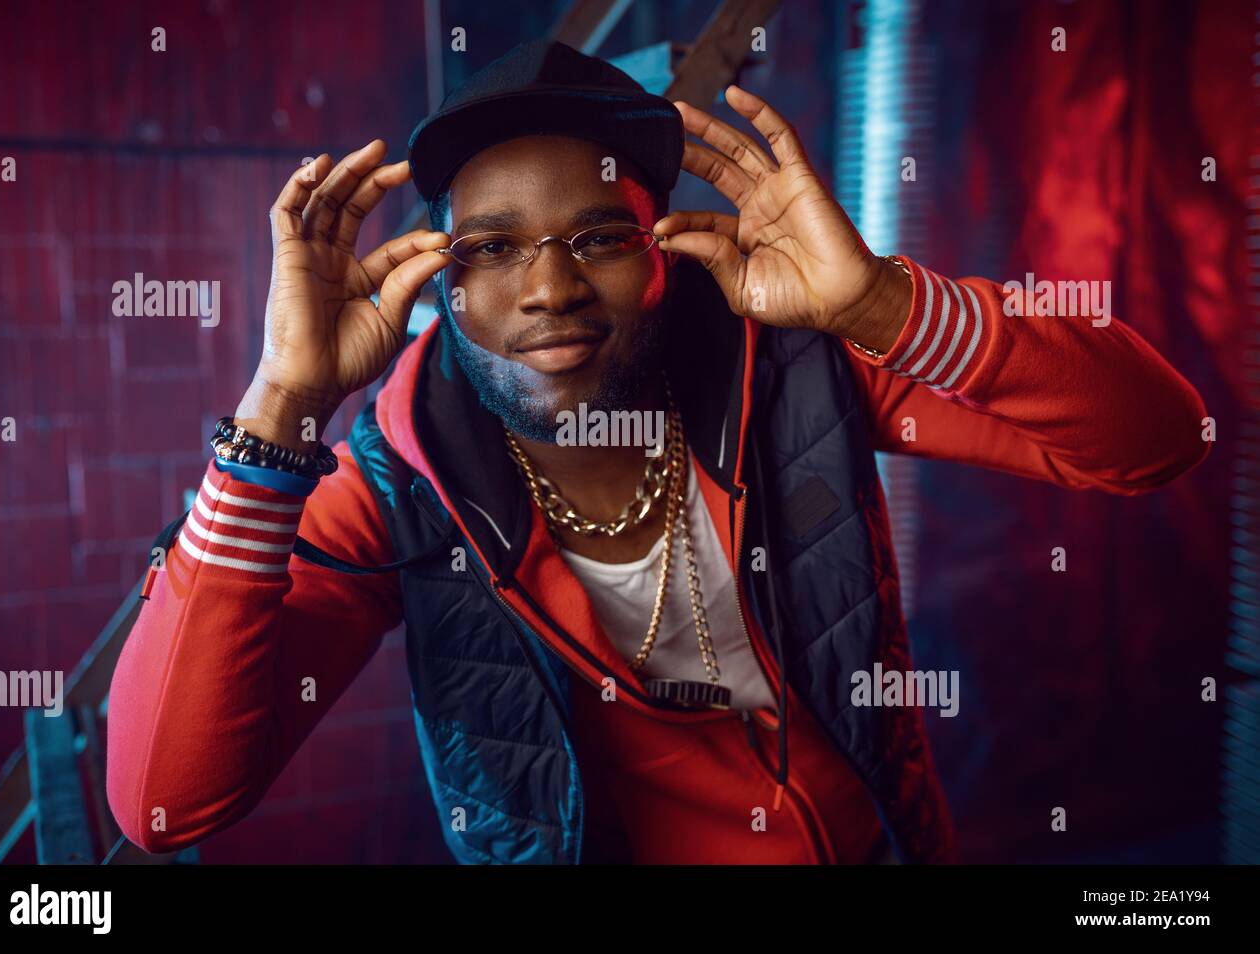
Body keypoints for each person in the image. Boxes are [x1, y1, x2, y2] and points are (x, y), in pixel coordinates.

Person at [105, 40, 1209, 864]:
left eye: (597, 237)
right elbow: (165, 800)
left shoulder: (790, 370)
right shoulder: (396, 492)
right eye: (492, 249)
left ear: (664, 253)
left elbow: (1154, 441)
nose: (548, 288)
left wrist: (876, 304)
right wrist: (279, 406)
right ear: (441, 285)